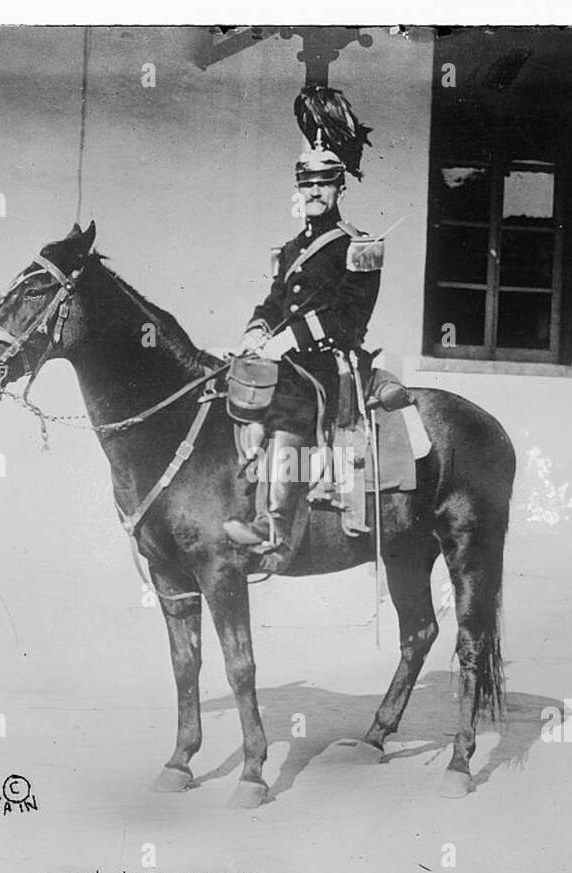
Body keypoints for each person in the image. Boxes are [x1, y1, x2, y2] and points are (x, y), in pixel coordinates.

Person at [223, 86, 381, 565]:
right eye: (307, 184)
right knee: (227, 384)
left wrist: (287, 340)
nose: (314, 192)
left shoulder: (358, 245)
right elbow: (275, 301)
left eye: (324, 183)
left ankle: (271, 524)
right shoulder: (291, 250)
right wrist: (256, 331)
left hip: (329, 367)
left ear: (339, 187)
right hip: (284, 357)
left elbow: (349, 317)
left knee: (286, 399)